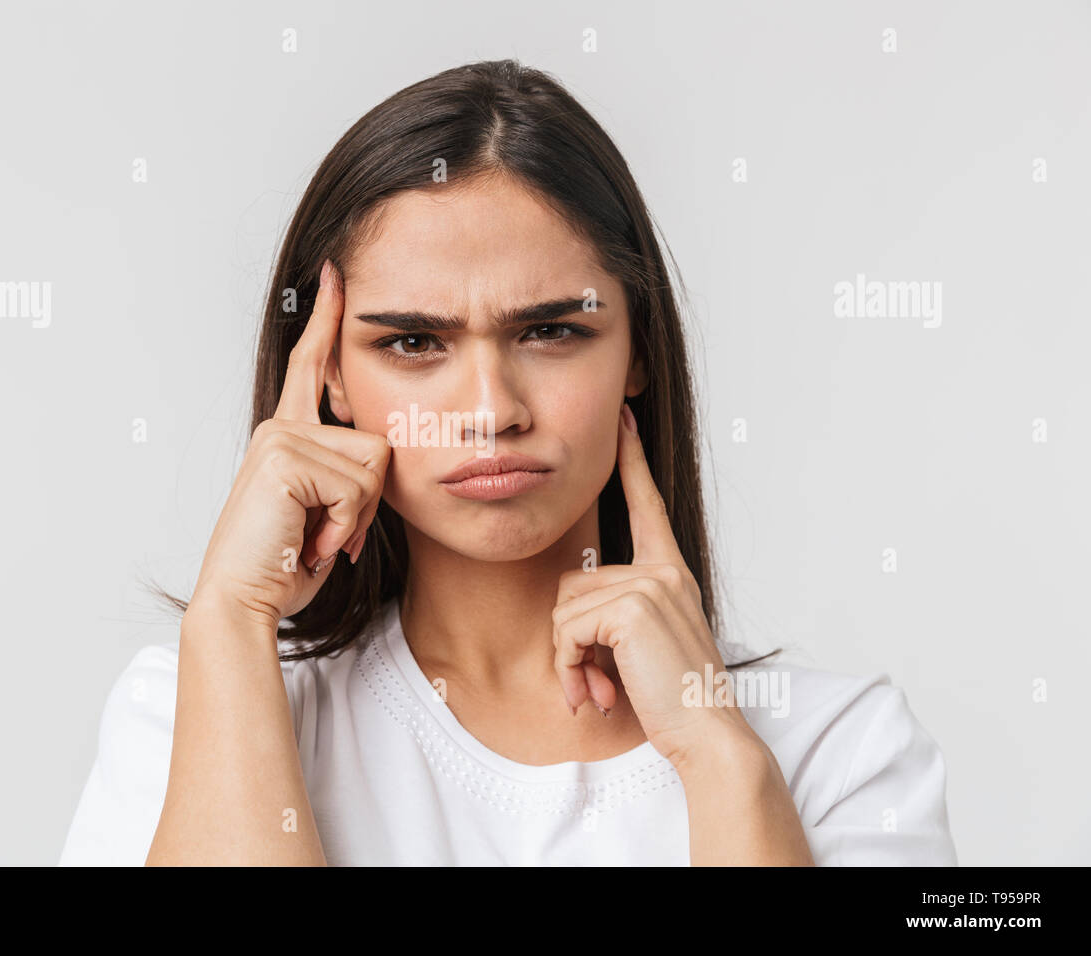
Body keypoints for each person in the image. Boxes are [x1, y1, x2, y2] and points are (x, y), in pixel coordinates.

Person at [58, 59, 957, 866]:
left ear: (638, 351)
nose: (490, 412)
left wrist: (719, 757)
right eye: (414, 342)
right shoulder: (196, 708)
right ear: (327, 373)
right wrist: (229, 615)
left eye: (551, 331)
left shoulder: (839, 751)